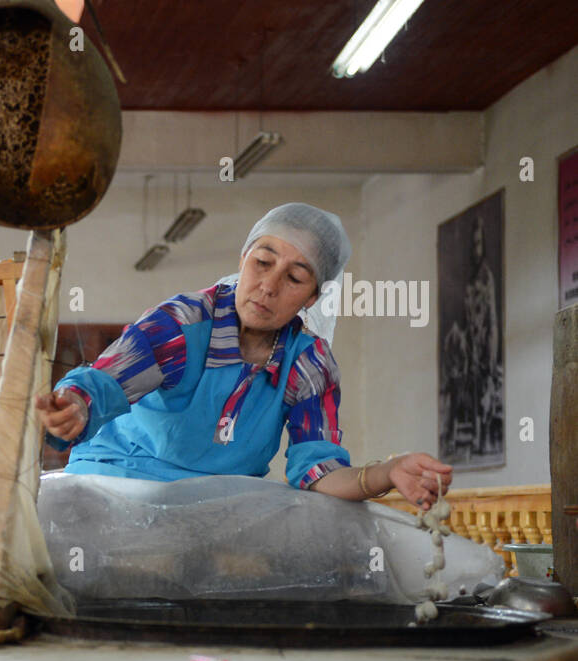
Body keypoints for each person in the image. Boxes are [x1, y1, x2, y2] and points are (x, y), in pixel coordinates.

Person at [37, 203, 452, 511]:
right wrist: (74, 404)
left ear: (312, 296)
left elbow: (318, 471)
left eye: (293, 277)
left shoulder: (309, 365)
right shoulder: (182, 326)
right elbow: (106, 381)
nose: (268, 286)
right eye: (262, 262)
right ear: (242, 260)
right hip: (118, 490)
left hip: (213, 510)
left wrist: (388, 473)